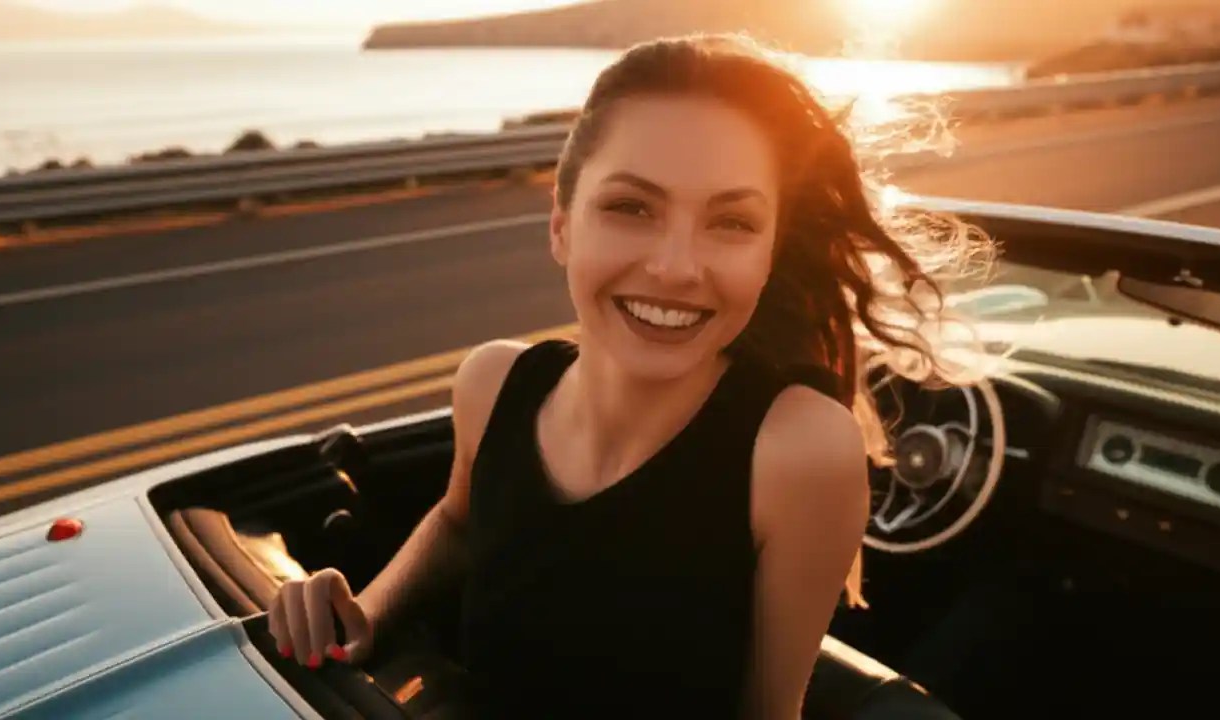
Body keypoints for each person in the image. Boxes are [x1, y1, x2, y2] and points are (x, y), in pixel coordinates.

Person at [267, 32, 987, 719]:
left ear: (768, 253)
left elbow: (766, 713)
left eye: (732, 223)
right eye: (631, 207)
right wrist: (366, 609)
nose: (677, 267)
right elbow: (459, 521)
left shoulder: (798, 452)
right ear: (562, 224)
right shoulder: (491, 384)